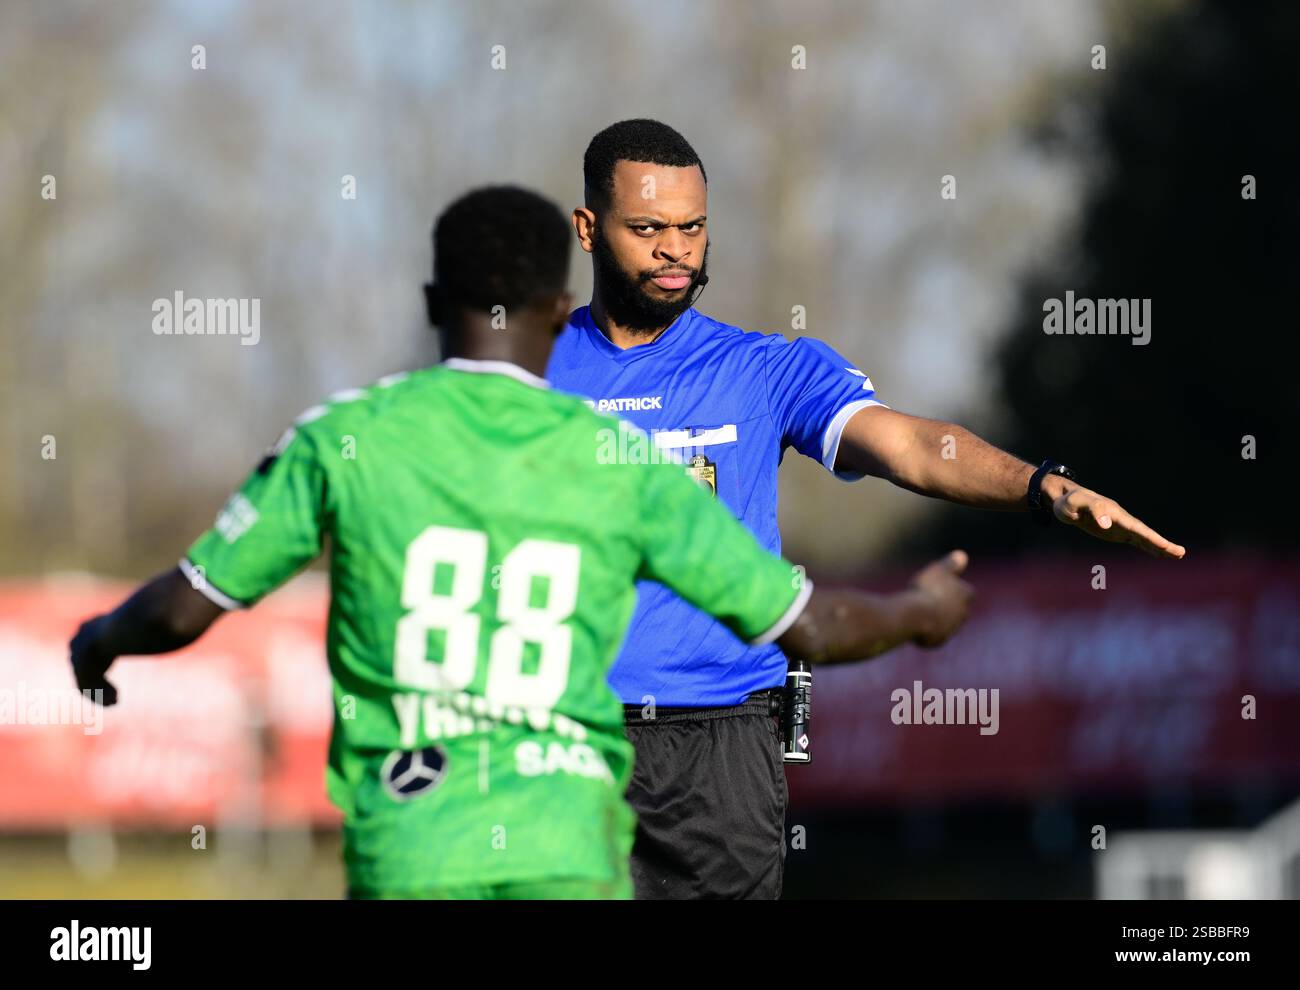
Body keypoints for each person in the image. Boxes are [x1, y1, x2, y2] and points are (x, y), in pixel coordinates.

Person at [68, 185, 975, 900]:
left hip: (410, 843)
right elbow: (808, 627)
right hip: (566, 847)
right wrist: (924, 612)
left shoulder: (346, 439)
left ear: (432, 301)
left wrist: (99, 638)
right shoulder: (615, 460)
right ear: (557, 307)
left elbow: (188, 604)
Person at [546, 118, 1186, 899]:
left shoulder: (762, 369)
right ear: (587, 228)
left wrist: (1041, 485)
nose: (676, 249)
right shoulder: (525, 377)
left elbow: (914, 447)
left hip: (723, 751)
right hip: (563, 744)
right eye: (648, 229)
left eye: (692, 227)